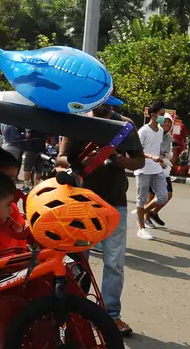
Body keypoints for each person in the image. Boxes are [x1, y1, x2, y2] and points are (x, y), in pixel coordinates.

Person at [57, 101, 144, 336]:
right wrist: (81, 163)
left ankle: (110, 316)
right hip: (83, 203)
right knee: (77, 262)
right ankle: (74, 312)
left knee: (114, 264)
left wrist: (120, 161)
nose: (102, 103)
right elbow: (61, 159)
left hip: (116, 204)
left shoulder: (125, 125)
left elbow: (140, 160)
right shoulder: (79, 121)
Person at [133, 100, 169, 240]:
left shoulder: (160, 130)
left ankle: (141, 213)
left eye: (164, 114)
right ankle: (141, 228)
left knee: (163, 197)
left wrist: (161, 159)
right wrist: (151, 156)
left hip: (157, 168)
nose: (163, 117)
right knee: (141, 199)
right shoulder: (143, 131)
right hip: (143, 169)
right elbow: (136, 151)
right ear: (153, 115)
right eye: (161, 114)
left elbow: (156, 149)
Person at [143, 113, 177, 225]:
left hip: (164, 169)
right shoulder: (155, 133)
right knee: (151, 195)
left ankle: (151, 212)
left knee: (168, 194)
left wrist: (167, 156)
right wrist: (160, 159)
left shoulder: (168, 137)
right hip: (152, 166)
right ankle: (145, 217)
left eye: (169, 122)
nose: (167, 124)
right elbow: (151, 150)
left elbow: (169, 153)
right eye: (165, 121)